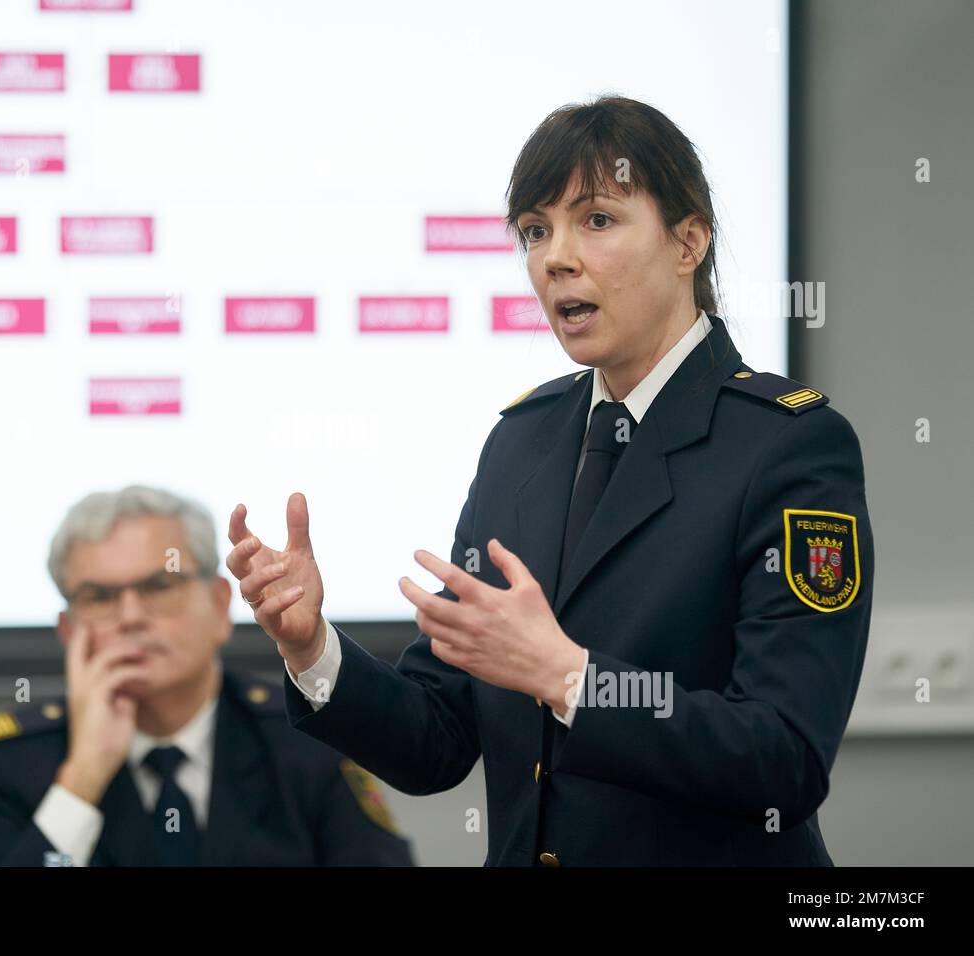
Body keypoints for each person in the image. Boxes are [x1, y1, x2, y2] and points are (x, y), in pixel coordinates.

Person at [225, 95, 874, 866]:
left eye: (596, 220)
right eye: (536, 230)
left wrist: (568, 677)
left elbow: (782, 759)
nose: (555, 256)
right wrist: (312, 649)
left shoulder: (786, 446)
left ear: (688, 240)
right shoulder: (522, 442)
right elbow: (438, 740)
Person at [0, 485, 413, 866]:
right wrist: (82, 777)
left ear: (218, 605)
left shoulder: (305, 738)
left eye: (159, 586)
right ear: (69, 631)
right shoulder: (1, 760)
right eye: (99, 596)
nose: (130, 617)